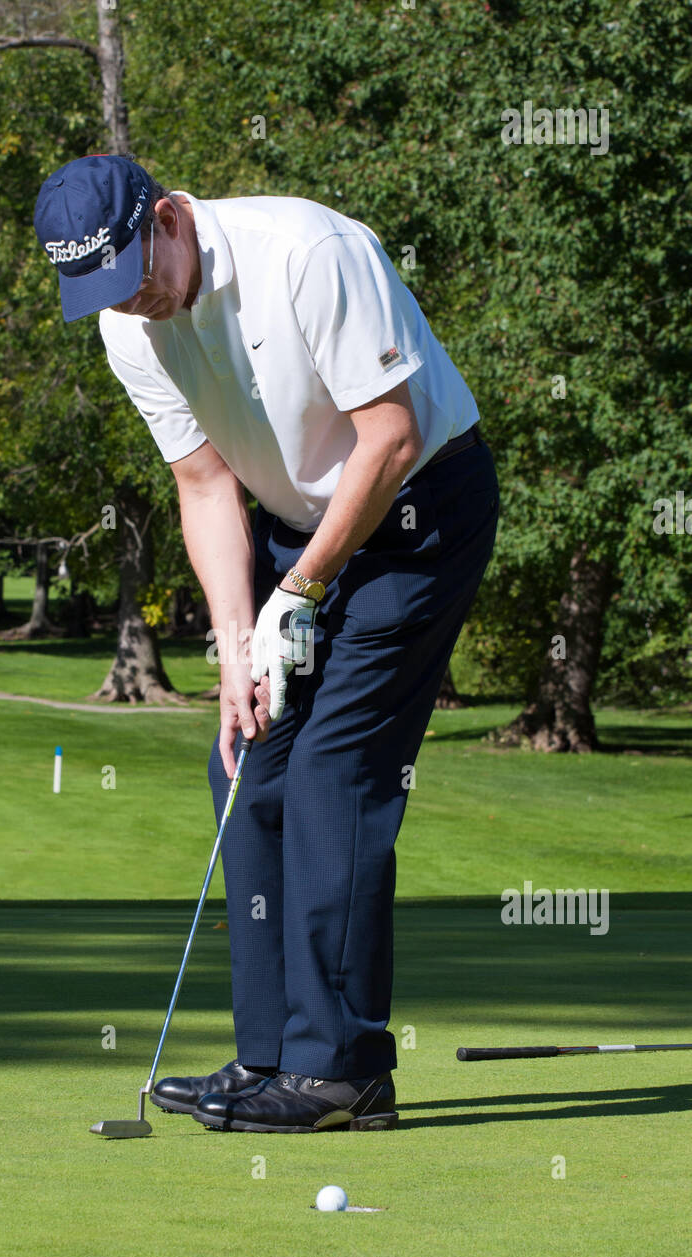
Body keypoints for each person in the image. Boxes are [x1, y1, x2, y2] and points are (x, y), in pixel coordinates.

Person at [34, 154, 499, 1134]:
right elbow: (204, 485)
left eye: (136, 274)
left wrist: (301, 586)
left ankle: (341, 1072)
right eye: (105, 292)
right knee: (244, 763)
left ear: (166, 217)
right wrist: (237, 641)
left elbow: (392, 437)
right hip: (298, 531)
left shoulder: (306, 253)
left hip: (418, 516)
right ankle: (268, 1058)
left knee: (333, 769)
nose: (134, 304)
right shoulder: (129, 327)